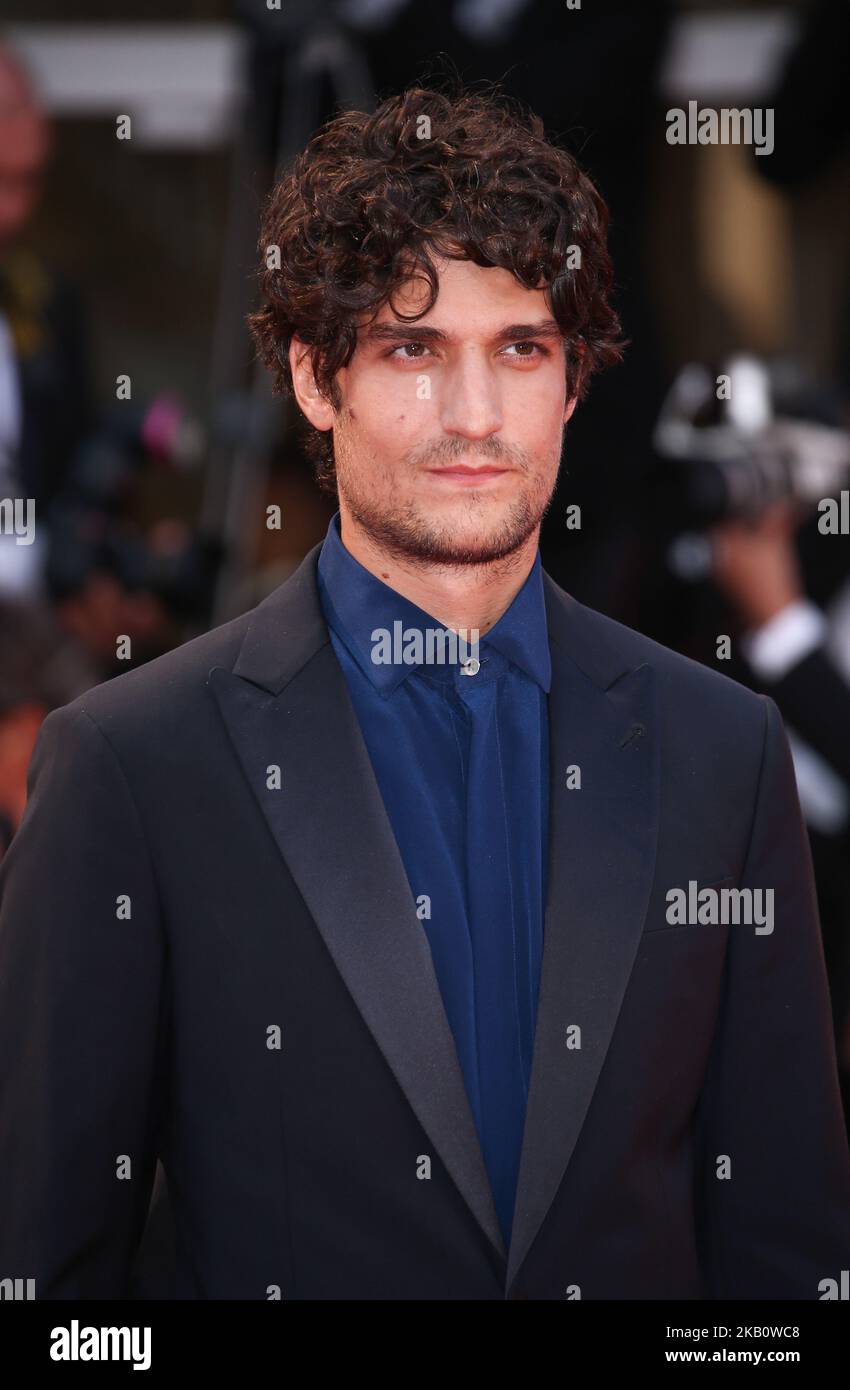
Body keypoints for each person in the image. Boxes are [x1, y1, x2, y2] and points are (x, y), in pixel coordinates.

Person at [1, 81, 849, 1301]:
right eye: (411, 348)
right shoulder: (132, 766)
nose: (472, 415)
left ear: (572, 383)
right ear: (311, 376)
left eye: (520, 349)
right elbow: (47, 1279)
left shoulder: (722, 751)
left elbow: (779, 1257)